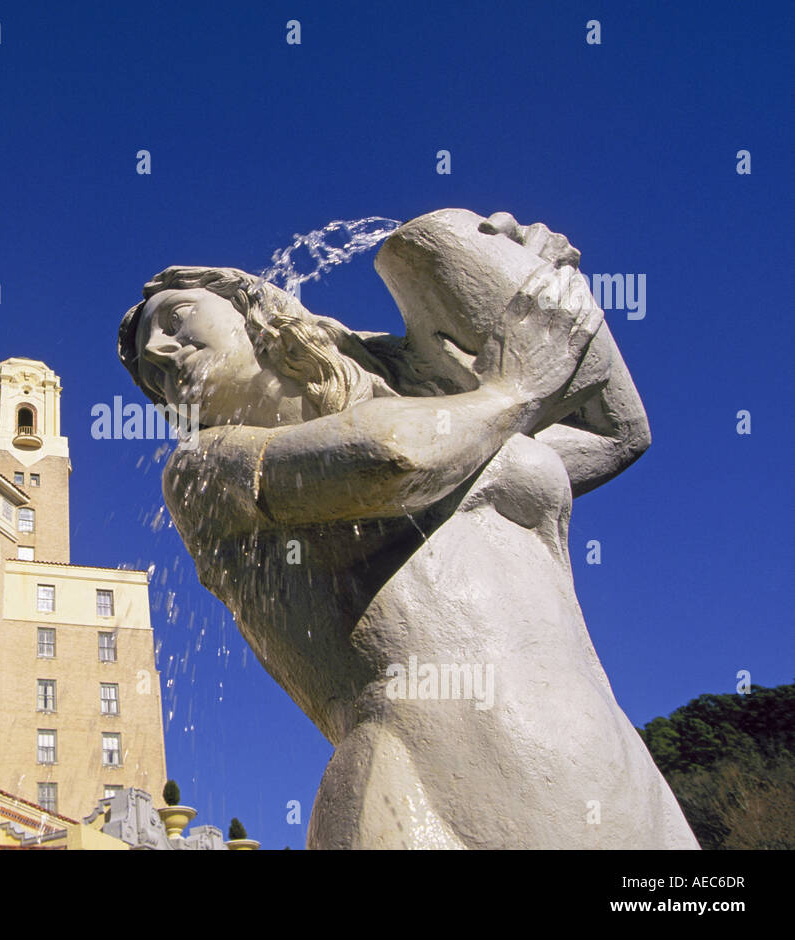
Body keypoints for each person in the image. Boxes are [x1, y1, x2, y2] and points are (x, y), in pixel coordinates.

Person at [117, 210, 698, 848]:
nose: (158, 352)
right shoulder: (204, 471)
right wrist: (513, 387)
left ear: (249, 302)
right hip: (422, 796)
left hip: (624, 780)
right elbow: (393, 460)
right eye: (150, 376)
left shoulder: (420, 395)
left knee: (430, 240)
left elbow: (613, 434)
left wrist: (542, 283)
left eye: (175, 319)